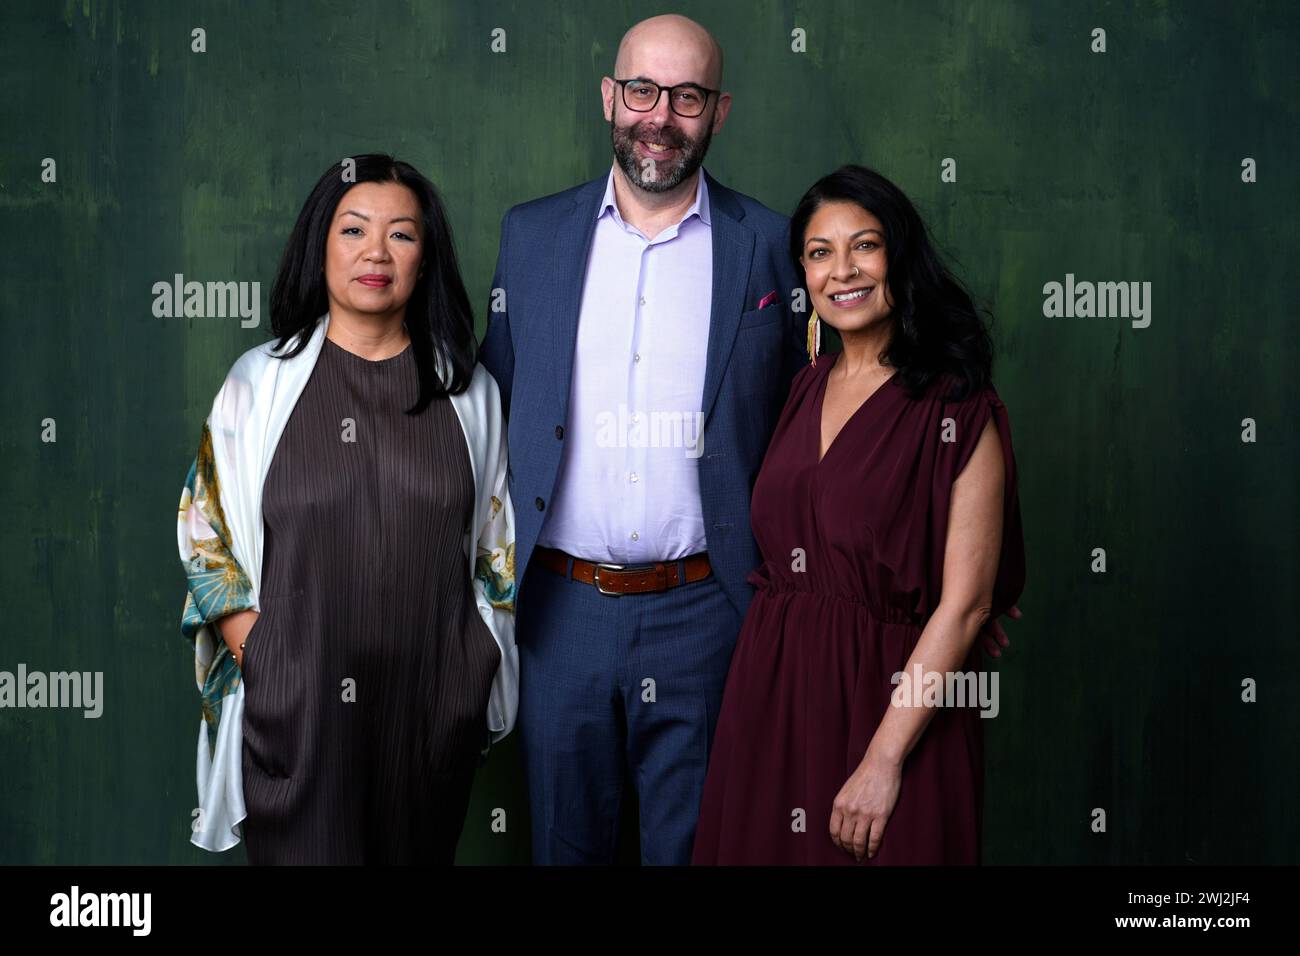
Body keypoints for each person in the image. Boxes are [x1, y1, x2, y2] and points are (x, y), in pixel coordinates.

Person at [479, 15, 1017, 865]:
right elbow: (490, 405)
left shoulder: (771, 246)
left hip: (714, 611)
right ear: (610, 98)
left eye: (687, 96)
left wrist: (956, 586)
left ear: (718, 112)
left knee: (707, 847)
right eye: (643, 91)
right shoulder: (531, 236)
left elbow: (834, 426)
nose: (661, 115)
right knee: (562, 849)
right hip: (561, 611)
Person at [177, 154, 517, 864]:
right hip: (299, 722)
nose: (376, 253)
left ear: (424, 259)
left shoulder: (468, 393)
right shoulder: (258, 385)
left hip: (430, 719)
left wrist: (472, 664)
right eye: (354, 229)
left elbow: (497, 546)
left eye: (402, 235)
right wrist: (266, 658)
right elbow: (204, 531)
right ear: (320, 245)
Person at [691, 164, 1027, 865]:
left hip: (891, 710)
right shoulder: (805, 386)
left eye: (864, 245)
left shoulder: (957, 407)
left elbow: (966, 607)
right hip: (774, 699)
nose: (842, 269)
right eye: (819, 252)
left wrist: (882, 761)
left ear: (899, 257)